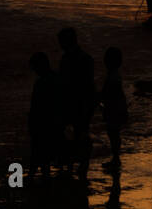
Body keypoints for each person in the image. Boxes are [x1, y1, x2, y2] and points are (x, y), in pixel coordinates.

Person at [57, 27, 95, 178]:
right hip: (76, 102)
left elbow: (83, 84)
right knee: (77, 133)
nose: (60, 44)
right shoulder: (81, 58)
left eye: (61, 41)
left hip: (78, 102)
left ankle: (79, 163)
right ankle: (75, 162)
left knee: (79, 133)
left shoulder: (78, 59)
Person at [28, 52, 63, 182]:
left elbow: (36, 106)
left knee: (38, 152)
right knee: (47, 153)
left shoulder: (41, 83)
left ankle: (35, 177)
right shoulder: (57, 79)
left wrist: (32, 123)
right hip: (54, 122)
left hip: (43, 123)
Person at [99, 46, 128, 169]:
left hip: (113, 109)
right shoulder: (115, 75)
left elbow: (110, 93)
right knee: (114, 134)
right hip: (116, 108)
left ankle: (116, 159)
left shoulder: (113, 77)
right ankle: (116, 158)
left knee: (113, 134)